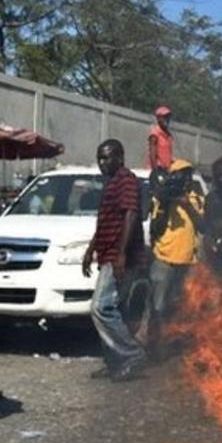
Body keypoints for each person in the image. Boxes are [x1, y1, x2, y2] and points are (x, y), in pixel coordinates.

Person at [81, 139, 147, 382]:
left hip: (120, 256)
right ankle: (114, 361)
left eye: (107, 157)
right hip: (107, 253)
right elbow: (107, 221)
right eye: (99, 158)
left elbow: (130, 214)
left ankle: (131, 354)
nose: (102, 162)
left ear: (120, 157)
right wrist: (91, 250)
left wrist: (121, 254)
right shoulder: (111, 183)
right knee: (113, 308)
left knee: (101, 307)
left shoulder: (126, 179)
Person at [144, 159, 203, 354]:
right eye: (180, 175)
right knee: (157, 307)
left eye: (187, 175)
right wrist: (165, 202)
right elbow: (156, 228)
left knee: (182, 307)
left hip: (189, 262)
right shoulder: (162, 197)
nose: (184, 179)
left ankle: (177, 345)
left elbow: (202, 225)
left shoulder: (194, 197)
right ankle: (153, 346)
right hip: (165, 260)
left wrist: (186, 205)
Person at [147, 106, 174, 172]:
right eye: (164, 117)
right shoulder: (155, 133)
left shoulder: (168, 134)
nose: (167, 119)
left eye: (168, 117)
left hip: (166, 170)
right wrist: (155, 172)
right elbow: (152, 154)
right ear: (159, 118)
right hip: (157, 169)